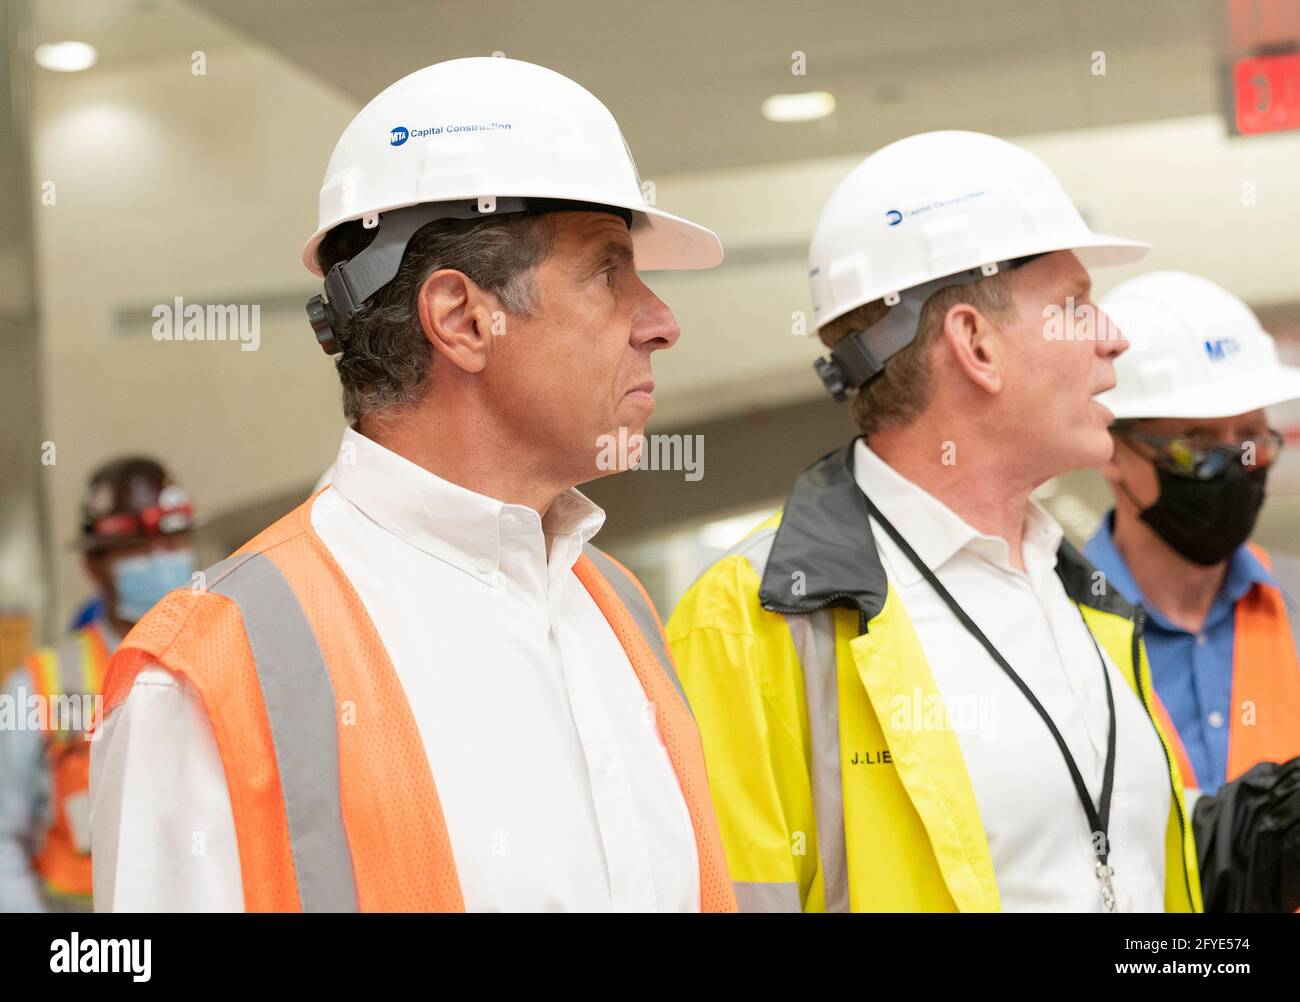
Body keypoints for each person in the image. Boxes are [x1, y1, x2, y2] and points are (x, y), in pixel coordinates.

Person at [90, 57, 735, 913]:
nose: (661, 320)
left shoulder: (613, 607)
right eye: (609, 271)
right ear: (464, 318)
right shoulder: (214, 669)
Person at [667, 130, 1205, 912]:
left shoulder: (1082, 595)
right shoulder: (753, 620)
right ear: (975, 344)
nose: (1114, 337)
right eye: (1074, 306)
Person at [1085, 270, 1300, 798]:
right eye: (1193, 445)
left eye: (1250, 438)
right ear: (1111, 451)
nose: (1233, 464)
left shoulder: (1295, 601)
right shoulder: (1056, 626)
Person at [0, 458, 195, 911]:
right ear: (94, 565)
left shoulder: (229, 655)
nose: (158, 560)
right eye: (134, 548)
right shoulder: (38, 687)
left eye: (171, 542)